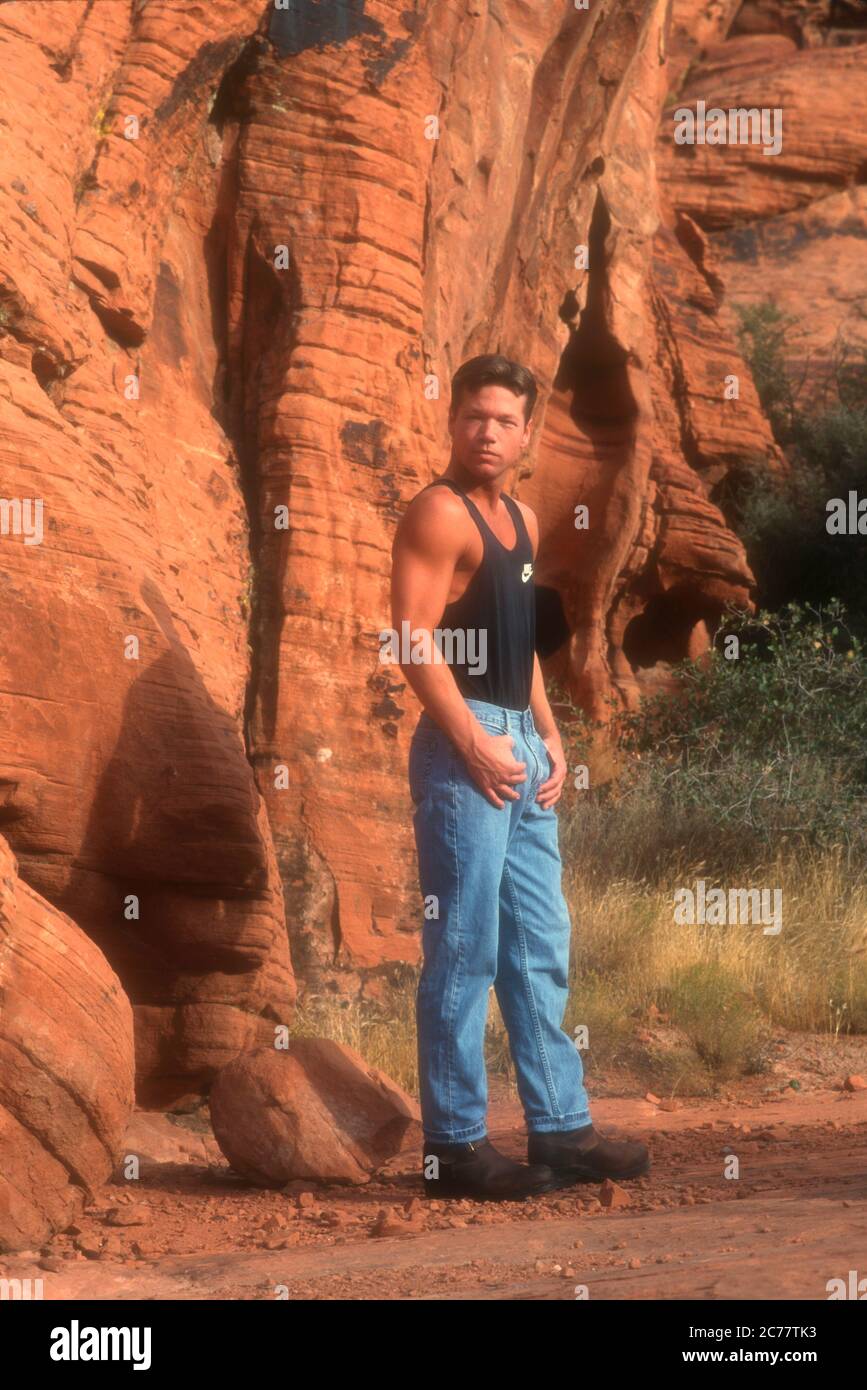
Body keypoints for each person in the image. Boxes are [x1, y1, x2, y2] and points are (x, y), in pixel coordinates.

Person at [390, 353, 650, 1200]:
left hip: (520, 751)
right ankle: (455, 1149)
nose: (487, 432)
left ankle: (560, 1131)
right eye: (474, 416)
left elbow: (519, 646)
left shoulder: (526, 525)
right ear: (452, 420)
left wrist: (549, 737)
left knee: (539, 945)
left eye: (504, 420)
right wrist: (472, 741)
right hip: (464, 750)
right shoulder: (438, 513)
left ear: (527, 431)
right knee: (463, 951)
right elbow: (411, 639)